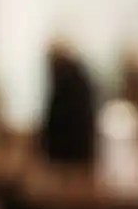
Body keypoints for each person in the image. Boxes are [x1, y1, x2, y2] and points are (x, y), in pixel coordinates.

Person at [35, 43, 97, 185]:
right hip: (77, 159)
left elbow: (58, 123)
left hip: (68, 160)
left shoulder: (66, 82)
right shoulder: (80, 80)